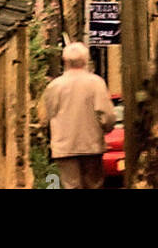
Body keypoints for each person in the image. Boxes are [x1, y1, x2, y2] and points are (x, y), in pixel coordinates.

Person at [38, 41, 116, 189]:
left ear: (65, 61)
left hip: (64, 147)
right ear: (86, 61)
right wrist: (105, 129)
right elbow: (107, 115)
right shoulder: (96, 83)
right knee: (94, 185)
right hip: (91, 146)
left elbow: (45, 116)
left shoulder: (54, 86)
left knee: (71, 185)